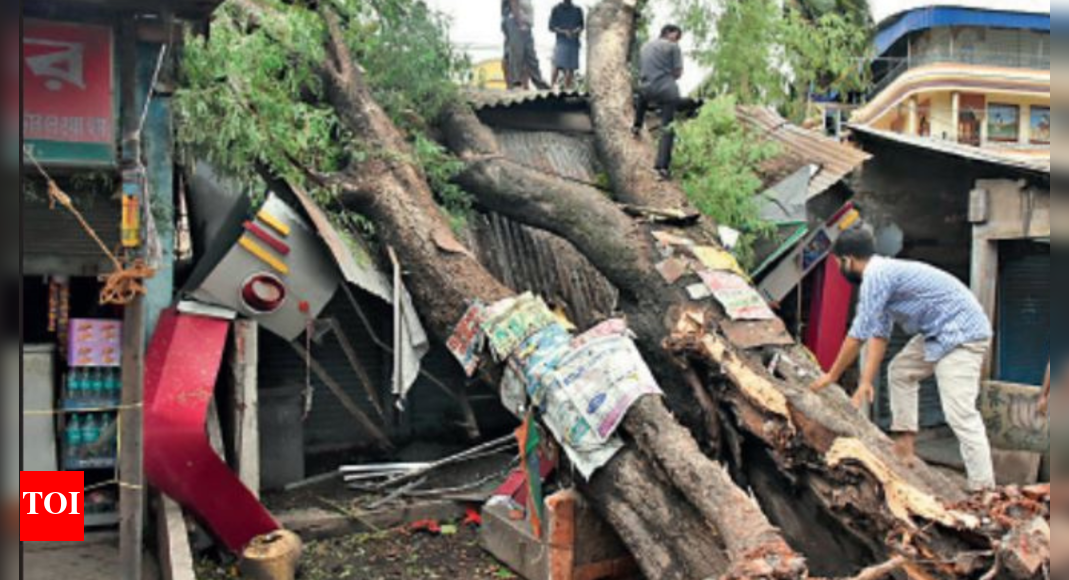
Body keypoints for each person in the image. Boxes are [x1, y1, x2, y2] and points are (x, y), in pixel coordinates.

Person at [810, 228, 997, 492]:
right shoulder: (882, 278)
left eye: (839, 264)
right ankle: (905, 442)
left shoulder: (876, 276)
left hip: (961, 334)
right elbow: (878, 335)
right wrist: (865, 381)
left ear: (847, 260)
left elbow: (857, 334)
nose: (841, 269)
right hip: (937, 332)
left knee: (960, 413)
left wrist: (832, 375)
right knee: (900, 370)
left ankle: (983, 488)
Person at [632, 25, 685, 181]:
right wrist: (668, 74)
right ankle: (662, 167)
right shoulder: (673, 47)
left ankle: (636, 125)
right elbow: (678, 73)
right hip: (666, 90)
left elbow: (643, 69)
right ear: (668, 33)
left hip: (646, 88)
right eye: (677, 36)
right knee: (667, 128)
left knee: (642, 94)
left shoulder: (645, 47)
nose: (677, 40)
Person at [503, 0, 550, 91]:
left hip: (526, 25)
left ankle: (539, 81)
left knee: (530, 54)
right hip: (516, 23)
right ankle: (516, 82)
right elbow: (514, 3)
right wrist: (519, 23)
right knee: (517, 53)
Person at [549, 0, 585, 90]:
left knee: (570, 68)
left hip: (574, 42)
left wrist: (575, 31)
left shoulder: (577, 10)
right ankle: (551, 87)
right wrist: (564, 32)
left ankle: (567, 89)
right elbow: (551, 27)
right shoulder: (556, 9)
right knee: (557, 65)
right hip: (561, 41)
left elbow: (581, 26)